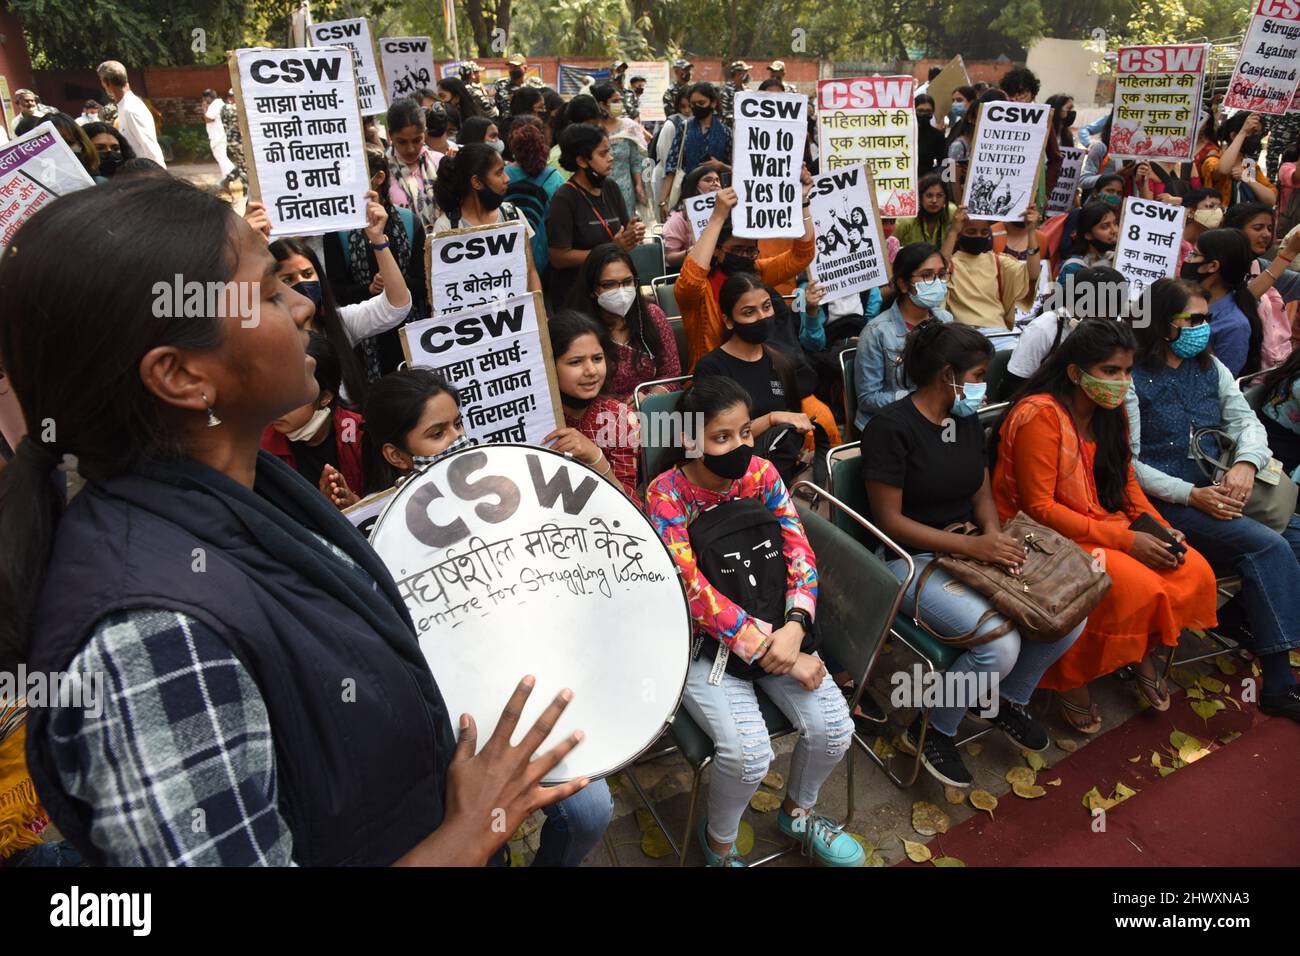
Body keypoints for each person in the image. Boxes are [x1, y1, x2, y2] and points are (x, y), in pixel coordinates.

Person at [0, 174, 591, 867]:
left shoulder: (247, 489)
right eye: (270, 293)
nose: (305, 309)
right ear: (184, 377)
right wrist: (467, 832)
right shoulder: (154, 640)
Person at [644, 376, 862, 868]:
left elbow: (797, 550)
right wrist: (768, 648)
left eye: (745, 432)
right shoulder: (666, 496)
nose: (740, 447)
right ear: (689, 440)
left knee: (833, 727)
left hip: (782, 627)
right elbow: (692, 590)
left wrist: (797, 624)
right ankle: (719, 845)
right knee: (747, 755)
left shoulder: (761, 475)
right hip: (705, 646)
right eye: (723, 438)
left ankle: (797, 813)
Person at [863, 321, 1084, 785]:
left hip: (973, 546)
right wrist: (973, 545)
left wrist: (994, 539)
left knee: (1069, 609)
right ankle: (933, 728)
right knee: (999, 643)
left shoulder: (964, 420)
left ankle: (1002, 700)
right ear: (949, 375)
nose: (985, 382)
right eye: (980, 372)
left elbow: (980, 489)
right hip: (909, 560)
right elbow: (891, 522)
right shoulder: (892, 428)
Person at [991, 319, 1217, 732]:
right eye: (1110, 372)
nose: (1122, 381)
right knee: (1136, 587)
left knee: (1191, 569)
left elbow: (1124, 481)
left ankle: (1134, 654)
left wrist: (1159, 526)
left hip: (1099, 520)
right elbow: (1040, 509)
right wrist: (1126, 541)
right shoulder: (1039, 414)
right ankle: (1069, 679)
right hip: (1040, 536)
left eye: (1128, 371)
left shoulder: (1110, 412)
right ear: (1075, 372)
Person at [1124, 278, 1300, 722]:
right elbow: (1132, 466)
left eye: (1206, 317)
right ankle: (1280, 682)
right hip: (1165, 500)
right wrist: (1192, 495)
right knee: (1267, 545)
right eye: (1195, 320)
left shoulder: (1211, 367)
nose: (1206, 328)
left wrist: (1247, 465)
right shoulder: (1130, 377)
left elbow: (1248, 423)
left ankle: (1247, 620)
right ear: (1163, 324)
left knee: (1296, 535)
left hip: (1218, 484)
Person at [268, 193, 413, 407]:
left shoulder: (340, 324)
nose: (300, 284)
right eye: (288, 279)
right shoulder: (261, 337)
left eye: (307, 274)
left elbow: (396, 305)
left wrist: (378, 241)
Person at [691, 273, 817, 486]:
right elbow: (715, 436)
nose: (762, 317)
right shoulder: (712, 367)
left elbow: (791, 415)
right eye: (749, 312)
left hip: (780, 466)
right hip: (731, 473)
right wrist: (772, 418)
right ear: (729, 321)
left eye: (766, 307)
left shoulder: (780, 361)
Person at [674, 184, 814, 367]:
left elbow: (801, 256)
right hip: (715, 383)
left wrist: (802, 201)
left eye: (751, 250)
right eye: (738, 250)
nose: (745, 256)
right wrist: (717, 217)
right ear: (716, 250)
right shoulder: (700, 290)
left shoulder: (755, 273)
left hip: (761, 371)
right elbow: (691, 281)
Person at [325, 145, 429, 380]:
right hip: (365, 344)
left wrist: (396, 283)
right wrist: (368, 290)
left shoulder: (409, 222)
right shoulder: (338, 231)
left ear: (378, 178)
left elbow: (424, 284)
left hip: (408, 334)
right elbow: (335, 290)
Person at [260, 332, 366, 509]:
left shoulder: (361, 434)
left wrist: (356, 504)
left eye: (291, 395)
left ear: (325, 397)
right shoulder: (259, 447)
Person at [854, 242, 953, 430]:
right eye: (926, 275)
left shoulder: (945, 320)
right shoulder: (877, 332)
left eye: (941, 275)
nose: (937, 282)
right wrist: (919, 401)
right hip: (892, 426)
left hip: (937, 420)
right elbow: (868, 398)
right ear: (903, 284)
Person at [566, 243, 680, 402]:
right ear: (592, 289)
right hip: (601, 416)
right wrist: (618, 409)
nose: (620, 291)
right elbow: (571, 388)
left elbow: (671, 373)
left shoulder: (652, 316)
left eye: (627, 282)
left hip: (652, 411)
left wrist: (650, 399)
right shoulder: (579, 331)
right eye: (609, 284)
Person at [545, 311, 640, 500]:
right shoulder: (533, 420)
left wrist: (596, 459)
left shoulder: (619, 418)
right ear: (548, 365)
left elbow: (632, 507)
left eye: (597, 358)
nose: (591, 371)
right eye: (575, 362)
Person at [430, 143, 542, 298]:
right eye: (499, 173)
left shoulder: (513, 215)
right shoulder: (446, 227)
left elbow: (531, 271)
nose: (507, 178)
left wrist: (539, 311)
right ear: (476, 182)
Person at [546, 124, 642, 291]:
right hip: (580, 290)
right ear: (582, 161)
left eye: (609, 151)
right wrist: (610, 249)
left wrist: (632, 233)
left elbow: (622, 232)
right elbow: (558, 257)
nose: (611, 157)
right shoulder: (565, 198)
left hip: (616, 285)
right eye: (603, 153)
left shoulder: (610, 187)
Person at [1004, 266, 1125, 393]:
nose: (1111, 317)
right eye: (1107, 309)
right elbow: (1015, 384)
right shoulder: (1045, 328)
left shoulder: (1112, 330)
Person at [940, 204, 1043, 332]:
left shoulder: (998, 261)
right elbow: (939, 271)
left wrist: (1031, 231)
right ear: (960, 235)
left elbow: (1032, 275)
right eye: (971, 232)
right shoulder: (951, 264)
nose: (978, 236)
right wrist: (954, 231)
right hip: (965, 335)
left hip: (998, 332)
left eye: (984, 232)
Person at [1226, 202, 1300, 370]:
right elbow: (1244, 301)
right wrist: (1289, 253)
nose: (1266, 234)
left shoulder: (1261, 266)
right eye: (1258, 228)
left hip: (1270, 366)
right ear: (1235, 231)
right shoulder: (1220, 267)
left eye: (1269, 228)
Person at [1181, 227, 1261, 378]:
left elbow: (1221, 383)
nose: (1188, 260)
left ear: (1212, 266)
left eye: (1194, 254)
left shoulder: (1235, 326)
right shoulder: (1179, 298)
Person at [659, 82, 733, 218]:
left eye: (701, 103)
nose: (696, 107)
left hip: (717, 200)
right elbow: (672, 166)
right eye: (693, 104)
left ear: (713, 103)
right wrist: (663, 201)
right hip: (688, 196)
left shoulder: (725, 132)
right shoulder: (684, 127)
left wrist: (721, 166)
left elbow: (737, 169)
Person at [505, 115, 564, 276]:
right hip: (547, 261)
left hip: (508, 260)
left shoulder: (501, 177)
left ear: (512, 143)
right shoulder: (554, 178)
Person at [591, 83, 647, 217]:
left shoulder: (629, 127)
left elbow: (635, 161)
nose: (619, 104)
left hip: (625, 191)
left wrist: (639, 185)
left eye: (620, 100)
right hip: (598, 189)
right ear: (602, 104)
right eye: (615, 101)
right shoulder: (593, 129)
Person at [386, 97, 441, 232]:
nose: (410, 149)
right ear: (390, 136)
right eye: (402, 142)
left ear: (425, 133)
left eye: (417, 140)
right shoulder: (382, 172)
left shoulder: (440, 163)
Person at [96, 60, 165, 167]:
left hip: (146, 175)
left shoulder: (131, 109)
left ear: (106, 82)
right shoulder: (124, 107)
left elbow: (150, 147)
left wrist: (161, 179)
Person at [1205, 112, 1276, 207]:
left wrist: (1248, 179)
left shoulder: (1249, 165)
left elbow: (1271, 200)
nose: (1256, 137)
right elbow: (1223, 170)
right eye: (1253, 132)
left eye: (1259, 133)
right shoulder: (1213, 160)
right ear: (1234, 135)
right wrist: (1243, 132)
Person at [662, 164, 722, 270]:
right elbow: (670, 258)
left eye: (717, 180)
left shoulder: (728, 212)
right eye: (708, 180)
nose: (715, 183)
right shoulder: (679, 219)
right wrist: (688, 253)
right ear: (694, 187)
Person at [1056, 201, 1118, 281]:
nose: (1114, 230)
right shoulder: (1073, 268)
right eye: (1105, 226)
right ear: (1088, 235)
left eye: (1115, 223)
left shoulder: (1117, 260)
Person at [891, 172, 954, 246]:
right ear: (920, 198)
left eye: (939, 195)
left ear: (945, 199)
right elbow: (887, 247)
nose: (934, 200)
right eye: (929, 195)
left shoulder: (951, 212)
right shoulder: (906, 220)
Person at [201, 88, 235, 184]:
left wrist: (204, 108)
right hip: (220, 134)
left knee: (220, 157)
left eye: (204, 99)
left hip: (217, 136)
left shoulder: (215, 105)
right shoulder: (219, 104)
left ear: (208, 98)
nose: (204, 101)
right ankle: (228, 179)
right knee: (221, 156)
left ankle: (233, 174)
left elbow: (208, 119)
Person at [220, 89, 249, 193]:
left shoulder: (223, 108)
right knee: (245, 166)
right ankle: (246, 189)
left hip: (230, 141)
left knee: (241, 164)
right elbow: (240, 127)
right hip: (239, 141)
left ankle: (228, 179)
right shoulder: (237, 109)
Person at [914, 95, 946, 175]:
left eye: (928, 111)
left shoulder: (938, 136)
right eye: (920, 110)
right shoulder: (905, 133)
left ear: (933, 112)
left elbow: (944, 163)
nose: (924, 114)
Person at [718, 60, 752, 126]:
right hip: (729, 125)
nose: (746, 74)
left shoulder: (748, 91)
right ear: (737, 73)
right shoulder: (726, 90)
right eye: (744, 72)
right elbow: (724, 112)